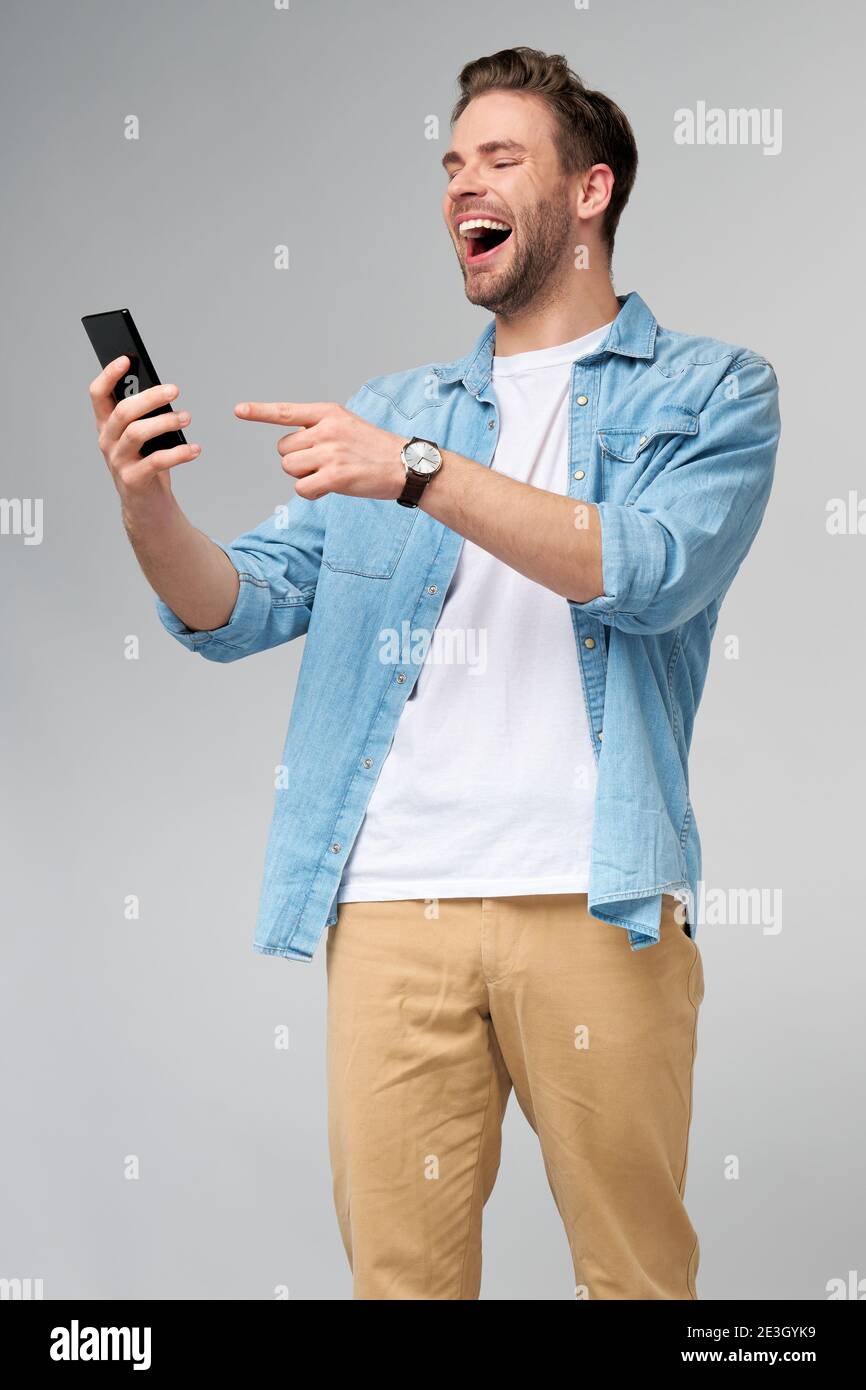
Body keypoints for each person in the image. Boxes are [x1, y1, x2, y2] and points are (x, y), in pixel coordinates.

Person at [87, 46, 781, 1300]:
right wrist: (147, 507)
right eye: (452, 162)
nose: (462, 182)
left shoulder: (712, 389)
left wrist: (414, 471)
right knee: (399, 1286)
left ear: (589, 191)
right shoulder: (396, 405)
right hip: (391, 905)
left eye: (500, 158)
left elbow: (650, 570)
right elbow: (237, 606)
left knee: (635, 1279)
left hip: (593, 898)